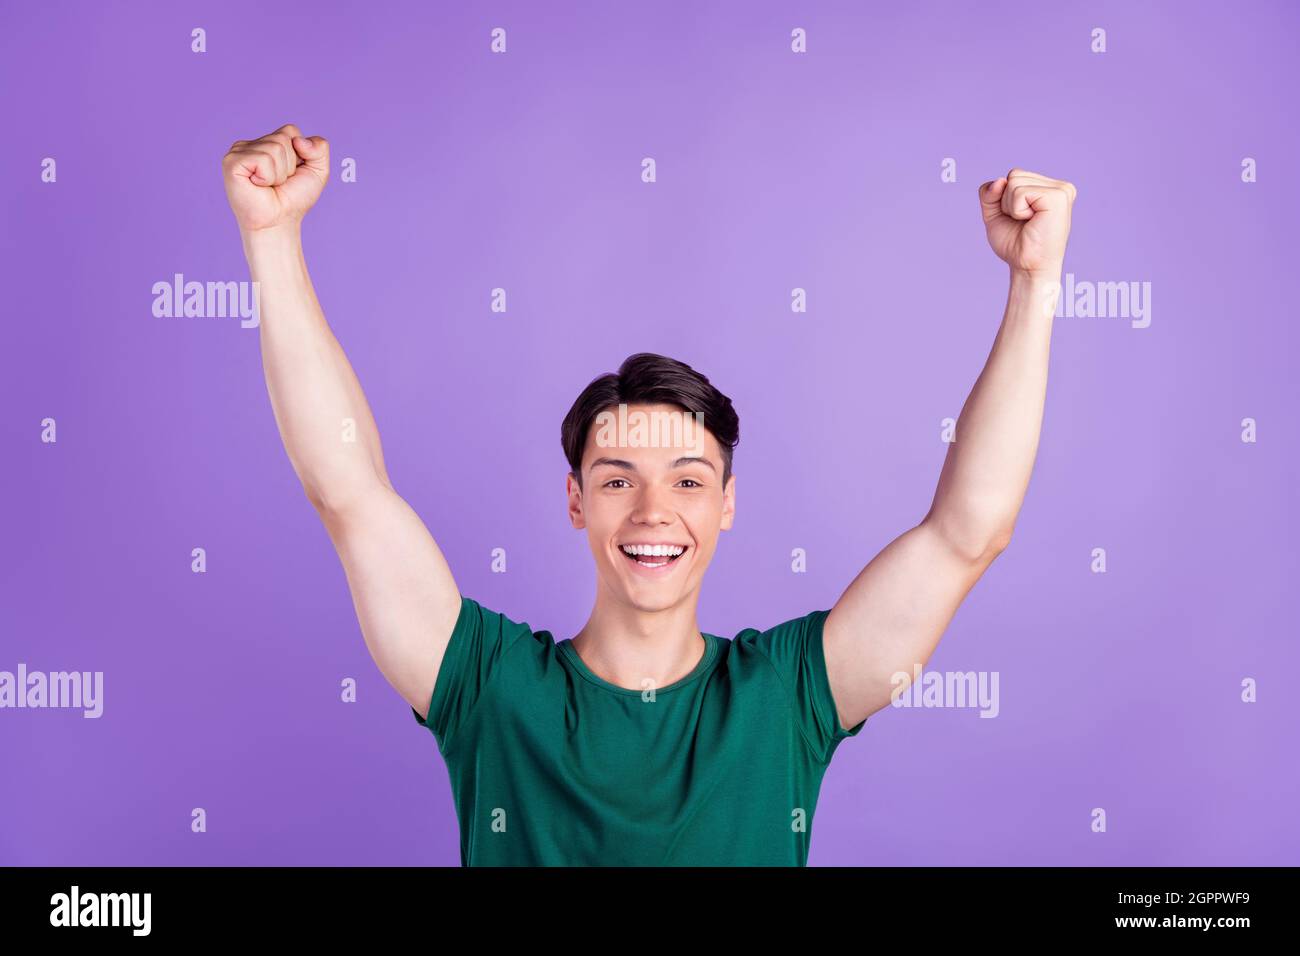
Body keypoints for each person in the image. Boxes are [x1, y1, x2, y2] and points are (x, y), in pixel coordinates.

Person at [221, 124, 1076, 866]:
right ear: (575, 501)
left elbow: (969, 534)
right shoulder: (491, 687)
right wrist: (271, 239)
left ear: (727, 505)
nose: (653, 512)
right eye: (618, 478)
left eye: (689, 482)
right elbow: (349, 492)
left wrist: (1036, 285)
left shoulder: (786, 699)